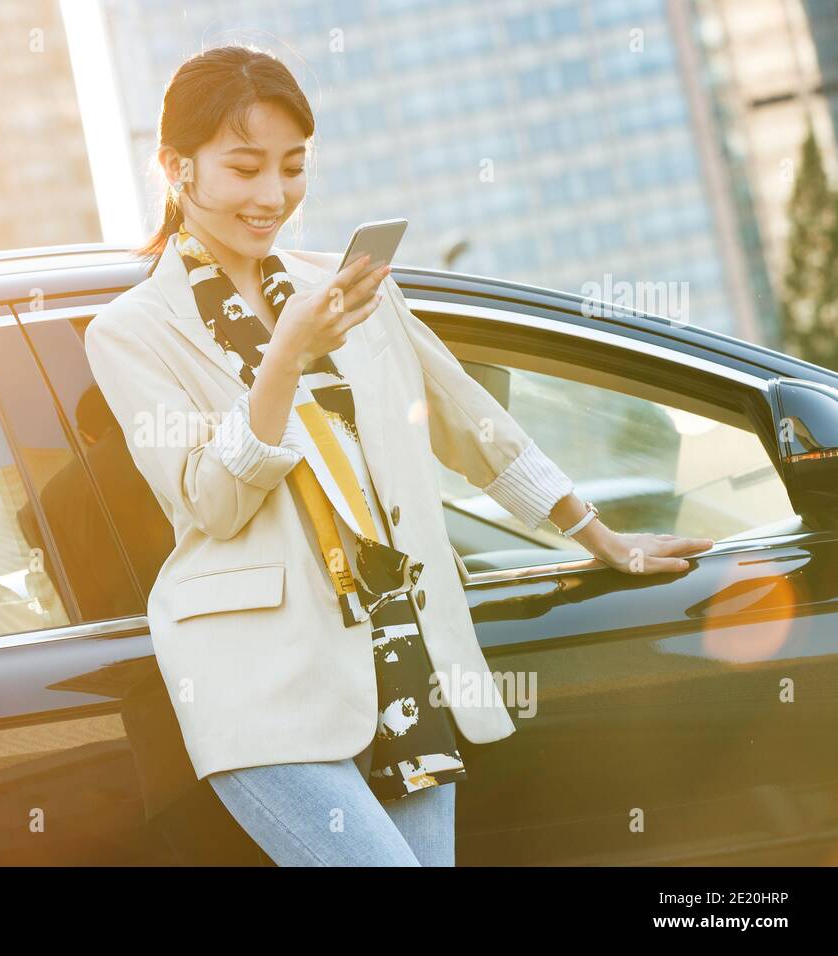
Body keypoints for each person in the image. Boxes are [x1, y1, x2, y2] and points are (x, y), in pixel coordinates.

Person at [84, 45, 715, 866]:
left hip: (403, 653)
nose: (272, 196)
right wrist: (284, 359)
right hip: (260, 686)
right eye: (244, 168)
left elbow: (469, 422)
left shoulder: (347, 284)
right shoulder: (131, 331)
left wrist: (601, 536)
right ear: (176, 168)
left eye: (292, 167)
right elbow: (211, 502)